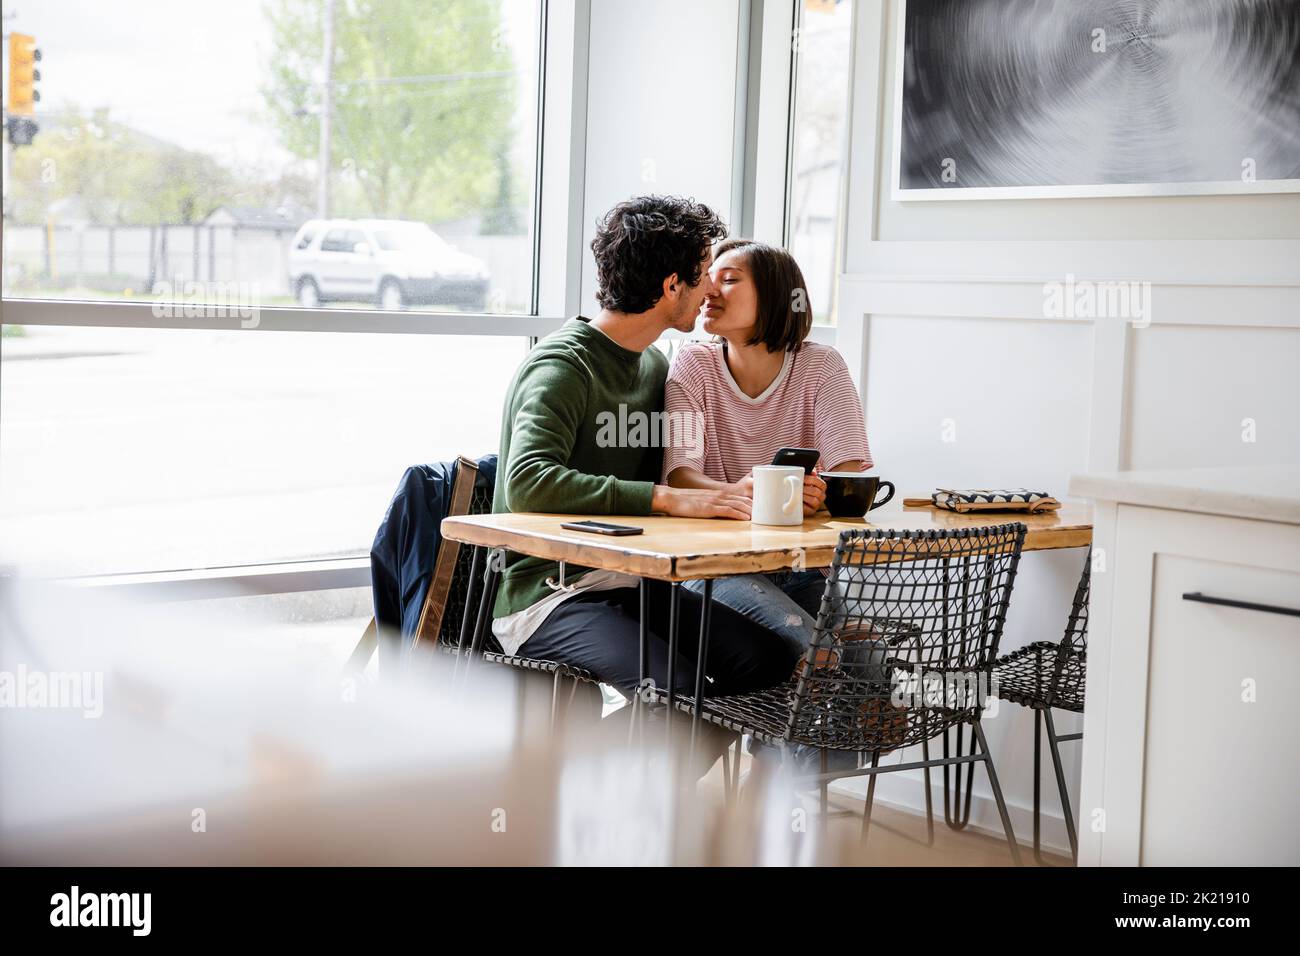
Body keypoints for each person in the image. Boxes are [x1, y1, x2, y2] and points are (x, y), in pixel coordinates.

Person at [490, 197, 794, 702]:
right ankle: (614, 778)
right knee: (675, 687)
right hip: (545, 595)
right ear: (672, 285)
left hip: (628, 584)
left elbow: (679, 471)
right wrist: (664, 498)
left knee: (768, 661)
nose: (710, 292)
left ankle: (641, 773)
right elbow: (526, 482)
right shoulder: (565, 366)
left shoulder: (654, 366)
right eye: (703, 276)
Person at [663, 238, 874, 661]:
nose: (709, 291)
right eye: (709, 280)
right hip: (714, 566)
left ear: (777, 294)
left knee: (867, 653)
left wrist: (818, 496)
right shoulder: (693, 365)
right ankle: (797, 723)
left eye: (729, 280)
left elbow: (849, 472)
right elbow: (680, 475)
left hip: (800, 566)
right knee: (815, 651)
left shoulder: (821, 367)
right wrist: (742, 494)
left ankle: (851, 729)